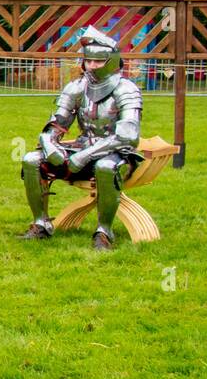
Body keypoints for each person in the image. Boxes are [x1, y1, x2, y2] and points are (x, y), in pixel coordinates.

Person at [18, 27, 142, 251]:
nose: (91, 66)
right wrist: (49, 145)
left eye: (98, 62)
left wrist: (86, 155)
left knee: (105, 166)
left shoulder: (126, 89)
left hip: (116, 154)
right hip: (82, 147)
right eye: (88, 61)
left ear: (112, 61)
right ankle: (41, 224)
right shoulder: (76, 88)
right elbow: (56, 124)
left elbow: (128, 136)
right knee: (30, 159)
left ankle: (104, 232)